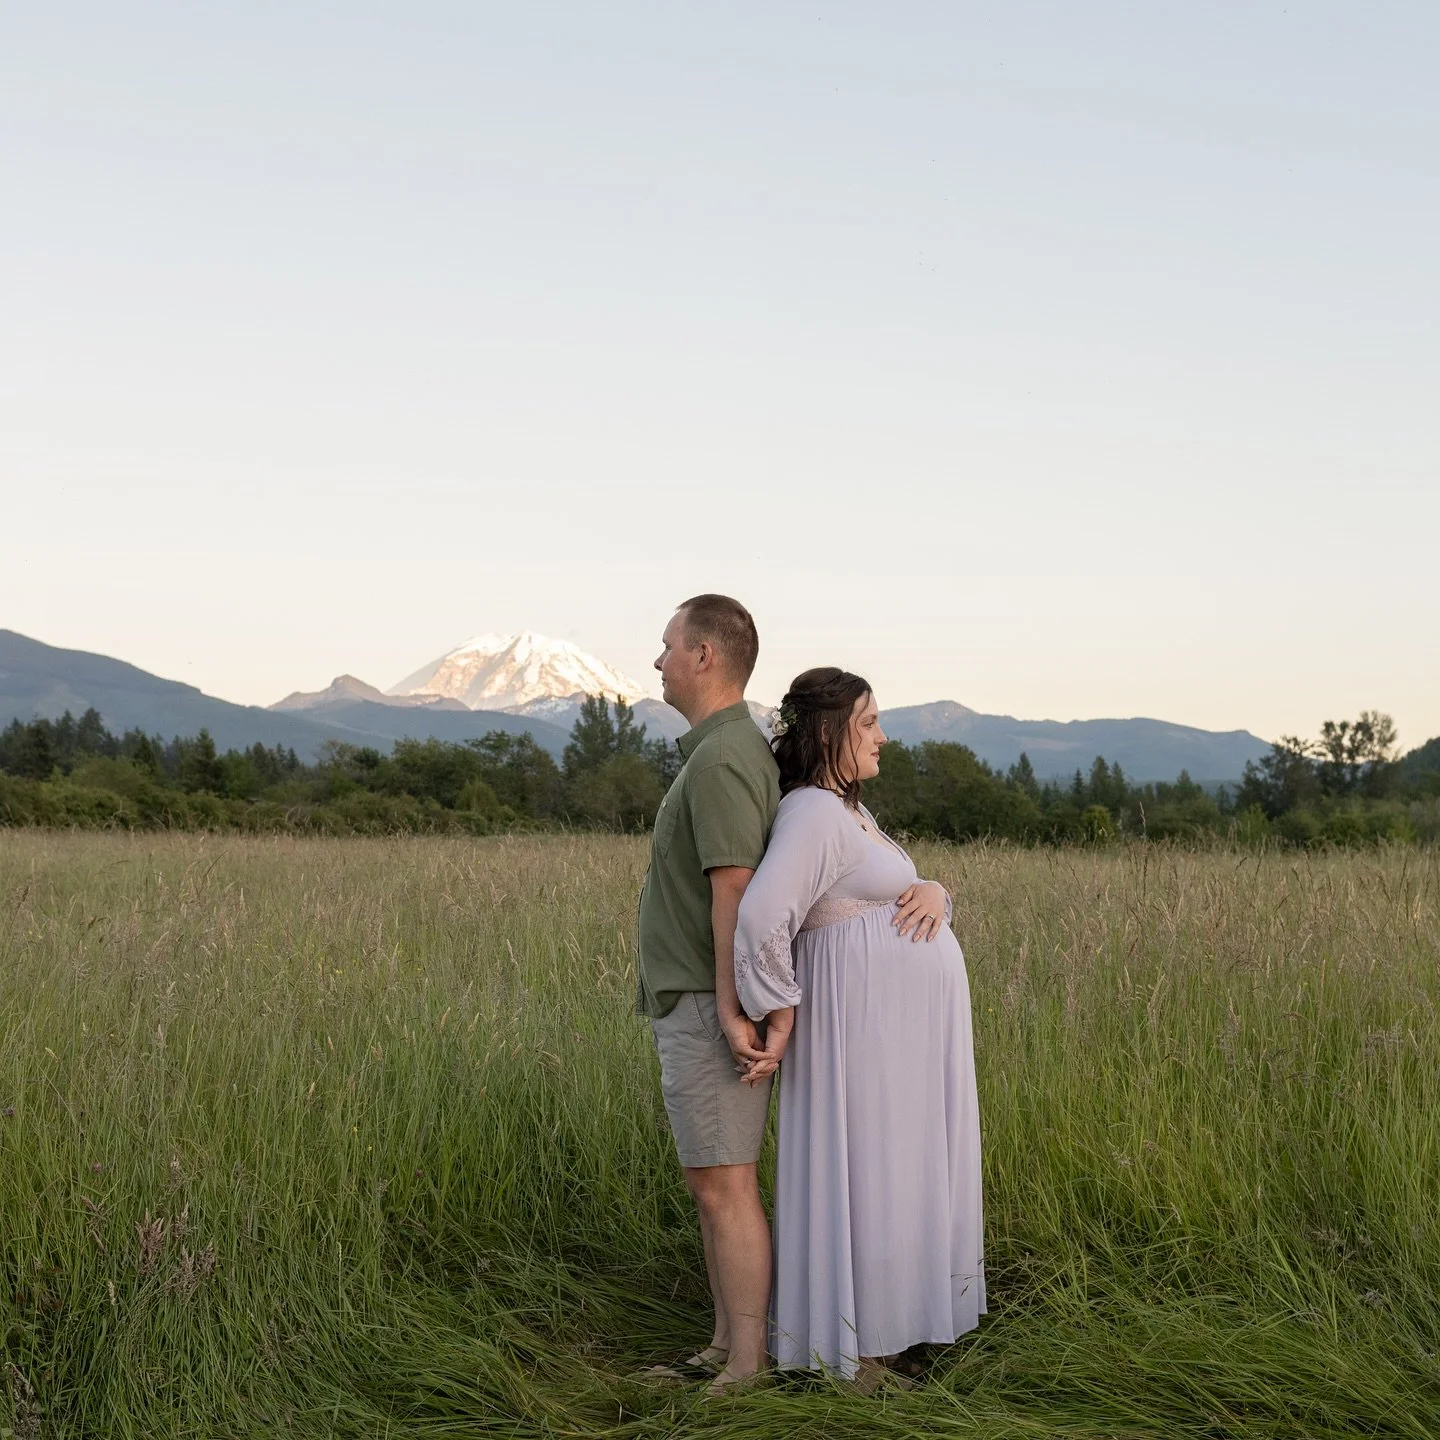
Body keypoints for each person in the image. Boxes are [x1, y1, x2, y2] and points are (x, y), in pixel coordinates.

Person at [733, 666, 986, 1387]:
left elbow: (889, 893)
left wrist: (935, 889)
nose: (883, 736)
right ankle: (855, 1356)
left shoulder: (850, 814)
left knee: (892, 1175)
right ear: (827, 732)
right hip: (859, 1038)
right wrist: (777, 1009)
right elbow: (762, 916)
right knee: (869, 1176)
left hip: (890, 1042)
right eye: (870, 722)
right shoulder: (812, 811)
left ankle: (886, 1329)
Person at [636, 594, 781, 1395]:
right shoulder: (712, 752)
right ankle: (725, 1343)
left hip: (705, 999)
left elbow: (735, 891)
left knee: (726, 1184)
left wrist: (730, 1010)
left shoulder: (723, 759)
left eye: (666, 646)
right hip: (692, 997)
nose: (657, 660)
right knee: (710, 1180)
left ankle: (749, 1366)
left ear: (704, 657)